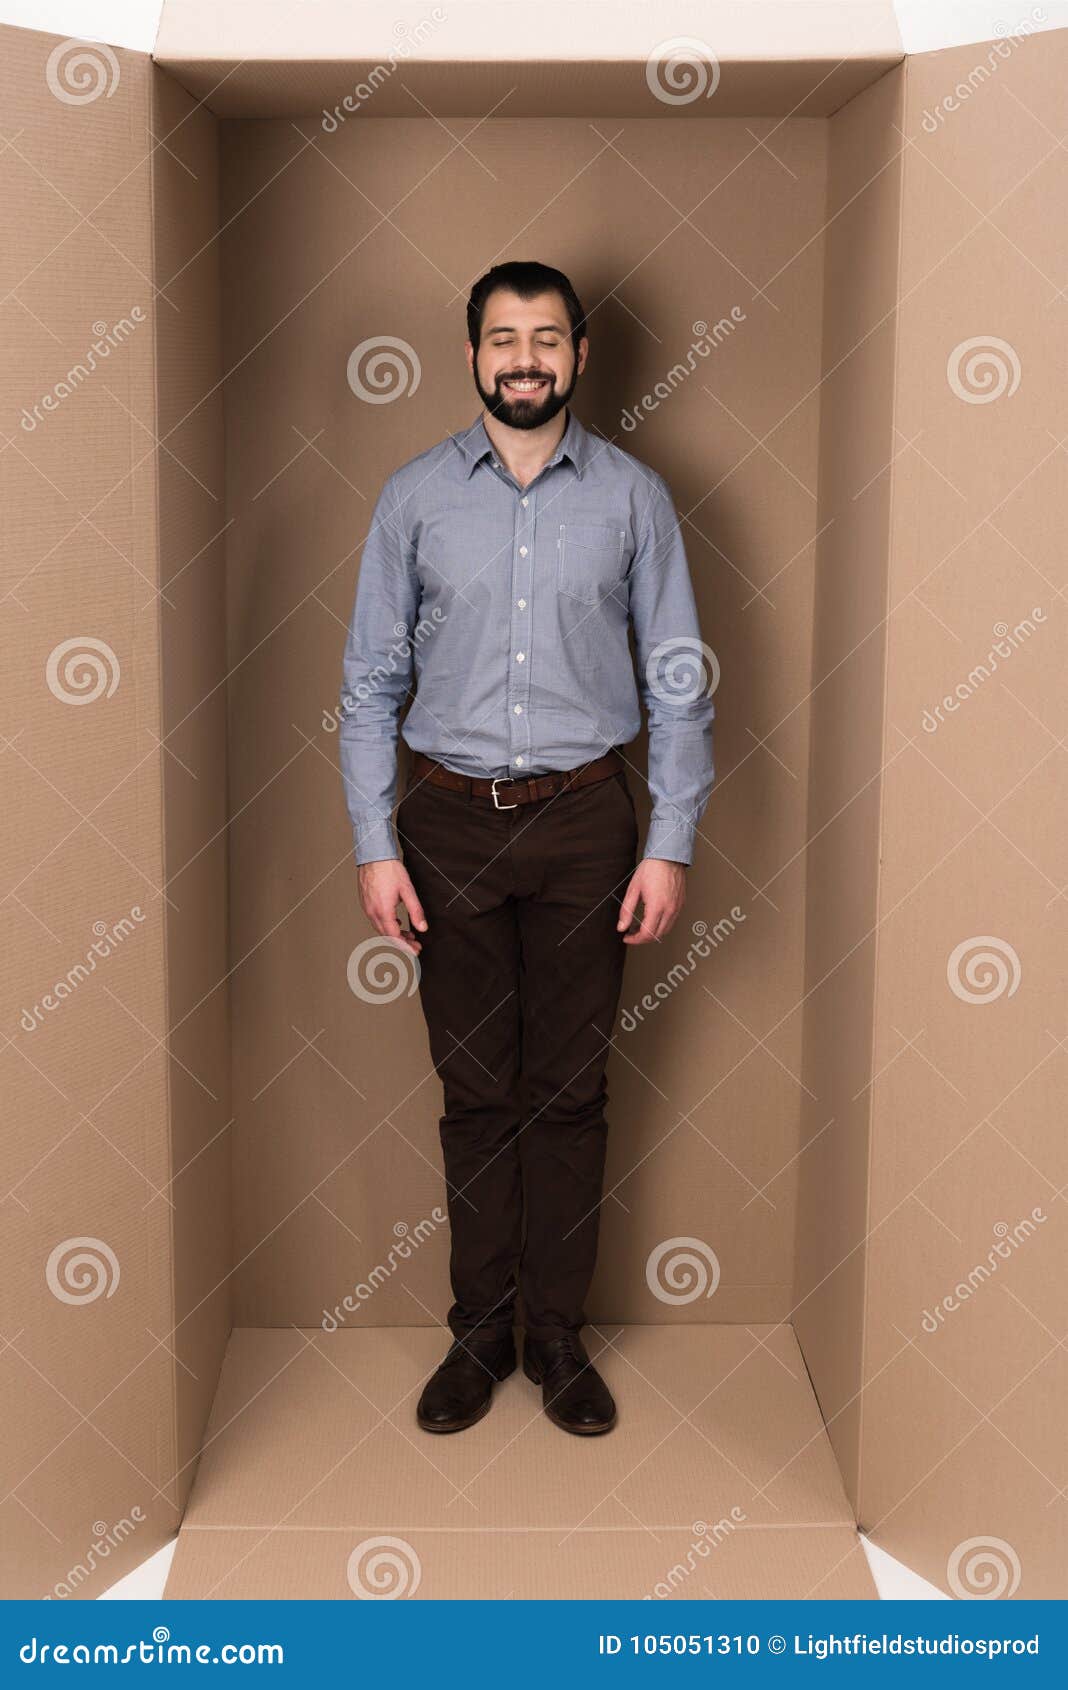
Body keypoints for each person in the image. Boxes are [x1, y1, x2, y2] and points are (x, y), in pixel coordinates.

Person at [338, 260, 714, 1438]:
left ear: (580, 354)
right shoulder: (411, 500)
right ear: (470, 356)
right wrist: (373, 842)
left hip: (592, 822)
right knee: (473, 1091)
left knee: (567, 1092)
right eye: (502, 339)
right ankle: (476, 1334)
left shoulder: (636, 500)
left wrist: (669, 842)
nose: (524, 360)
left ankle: (555, 1339)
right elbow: (367, 685)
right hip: (441, 823)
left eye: (546, 339)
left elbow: (679, 681)